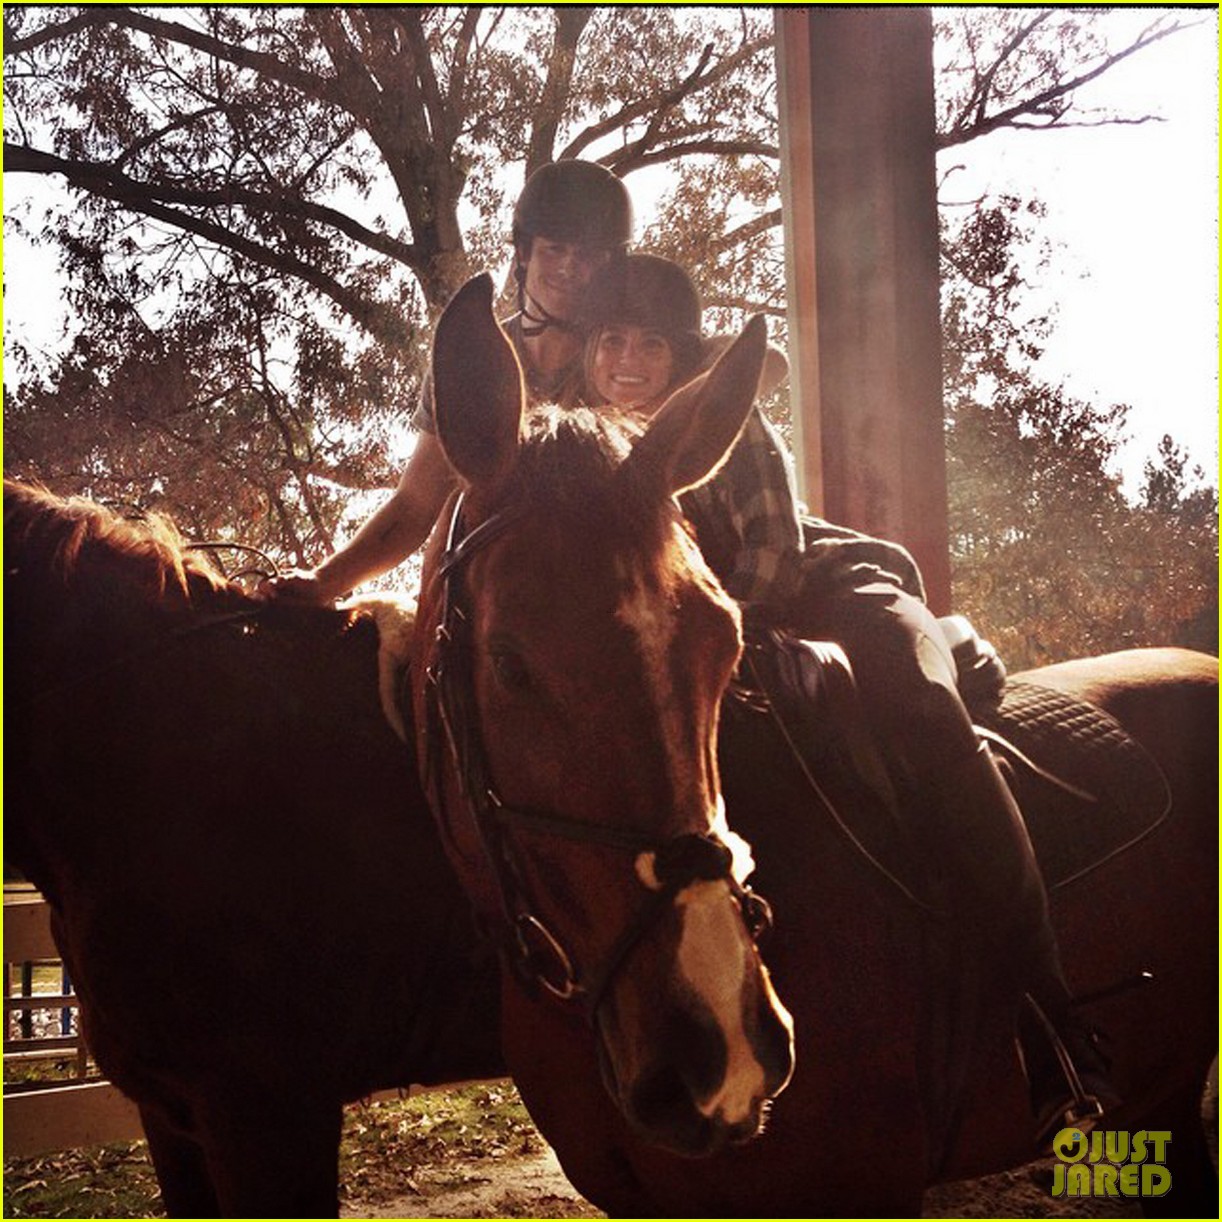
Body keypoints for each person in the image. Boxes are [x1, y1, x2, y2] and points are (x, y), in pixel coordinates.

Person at [579, 252, 1117, 1149]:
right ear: (590, 352)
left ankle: (1055, 1022)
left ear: (684, 359)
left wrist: (715, 641)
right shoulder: (586, 450)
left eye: (651, 345)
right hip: (703, 640)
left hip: (820, 592)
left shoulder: (731, 425)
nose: (629, 361)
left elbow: (771, 561)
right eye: (611, 341)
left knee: (918, 709)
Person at [267, 159, 633, 604]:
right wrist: (325, 580)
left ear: (608, 267)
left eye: (589, 254)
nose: (571, 266)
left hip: (597, 599)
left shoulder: (626, 367)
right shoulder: (471, 358)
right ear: (523, 252)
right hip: (478, 603)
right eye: (556, 248)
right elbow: (415, 505)